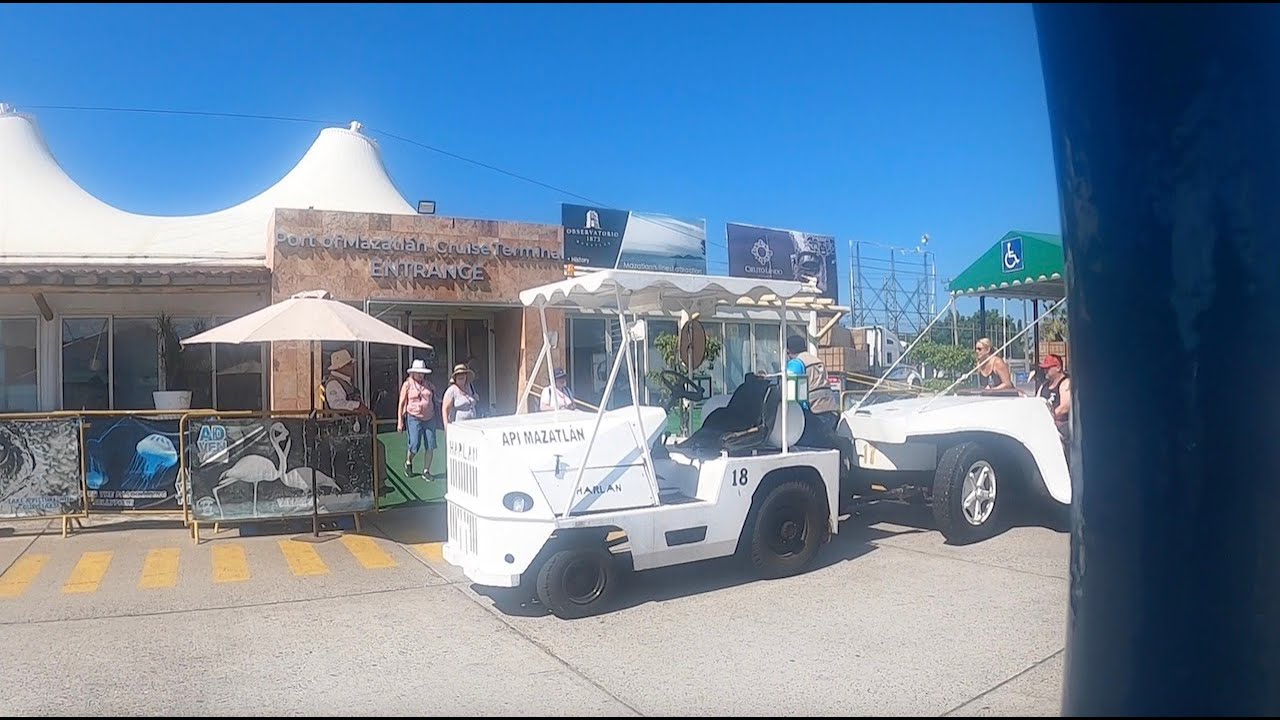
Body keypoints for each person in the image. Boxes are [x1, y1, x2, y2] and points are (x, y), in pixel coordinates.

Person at [397, 359, 436, 478]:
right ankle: (408, 462)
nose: (420, 375)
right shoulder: (407, 384)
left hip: (429, 417)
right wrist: (400, 421)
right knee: (414, 444)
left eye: (422, 372)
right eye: (418, 372)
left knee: (430, 444)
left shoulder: (428, 384)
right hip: (413, 417)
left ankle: (426, 470)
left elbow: (435, 396)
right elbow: (402, 402)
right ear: (412, 373)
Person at [784, 334, 837, 416]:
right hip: (830, 408)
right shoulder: (817, 361)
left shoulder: (795, 363)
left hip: (813, 411)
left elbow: (789, 387)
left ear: (788, 351)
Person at [1036, 353, 1072, 444]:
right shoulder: (1044, 386)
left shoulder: (1065, 383)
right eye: (1044, 369)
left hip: (1062, 425)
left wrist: (1050, 416)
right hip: (1045, 424)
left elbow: (1065, 407)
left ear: (1058, 368)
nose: (1045, 371)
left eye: (1048, 368)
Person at [321, 349, 369, 414]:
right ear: (340, 367)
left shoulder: (344, 382)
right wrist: (357, 405)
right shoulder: (333, 383)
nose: (352, 367)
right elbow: (335, 404)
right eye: (349, 364)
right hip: (340, 423)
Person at [442, 364, 480, 431]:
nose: (461, 376)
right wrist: (446, 427)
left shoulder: (470, 387)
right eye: (458, 374)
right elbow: (445, 409)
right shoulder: (451, 390)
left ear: (466, 376)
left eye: (463, 374)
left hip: (473, 425)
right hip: (458, 427)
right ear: (455, 377)